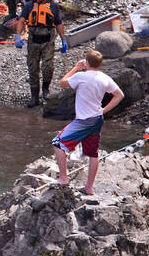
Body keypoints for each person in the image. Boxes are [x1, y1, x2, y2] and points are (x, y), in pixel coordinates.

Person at [52, 50, 124, 195]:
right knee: (93, 154)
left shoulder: (81, 76)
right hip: (97, 119)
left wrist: (76, 68)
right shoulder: (105, 78)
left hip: (84, 120)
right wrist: (104, 110)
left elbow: (62, 83)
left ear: (87, 62)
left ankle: (64, 178)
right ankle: (89, 188)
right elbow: (119, 95)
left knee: (58, 143)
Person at [13, 0, 68, 107]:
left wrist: (63, 39)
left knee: (48, 66)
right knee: (33, 67)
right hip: (33, 40)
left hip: (48, 39)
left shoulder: (53, 6)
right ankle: (34, 96)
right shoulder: (29, 6)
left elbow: (58, 23)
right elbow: (21, 20)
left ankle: (45, 89)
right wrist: (18, 36)